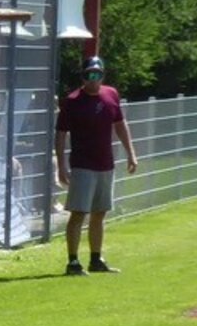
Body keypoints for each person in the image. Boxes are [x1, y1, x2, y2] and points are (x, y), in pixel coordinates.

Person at [54, 54, 139, 275]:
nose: (93, 80)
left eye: (97, 75)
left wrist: (131, 153)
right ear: (83, 77)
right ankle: (73, 262)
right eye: (89, 75)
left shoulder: (111, 95)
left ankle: (96, 259)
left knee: (100, 212)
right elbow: (61, 134)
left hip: (105, 164)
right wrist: (61, 166)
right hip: (83, 165)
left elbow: (120, 124)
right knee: (78, 213)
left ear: (102, 75)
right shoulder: (72, 101)